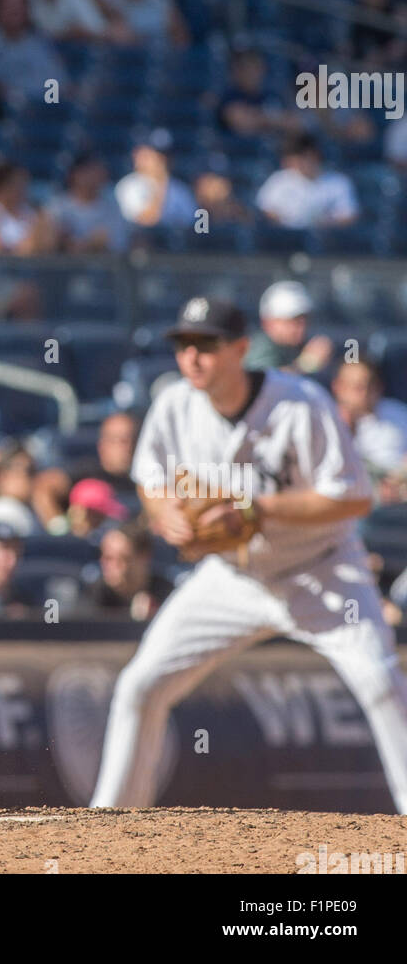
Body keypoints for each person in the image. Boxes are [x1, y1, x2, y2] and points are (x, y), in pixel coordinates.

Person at [90, 296, 407, 812]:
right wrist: (164, 511)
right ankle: (107, 823)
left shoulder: (300, 404)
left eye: (206, 346)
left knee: (379, 682)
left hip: (322, 569)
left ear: (241, 349)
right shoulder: (175, 403)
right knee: (141, 685)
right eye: (184, 345)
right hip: (233, 578)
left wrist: (256, 510)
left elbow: (353, 497)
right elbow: (150, 478)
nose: (191, 357)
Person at [331, 359, 407, 503]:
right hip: (349, 503)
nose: (364, 392)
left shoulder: (399, 413)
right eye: (356, 387)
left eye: (369, 385)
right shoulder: (325, 421)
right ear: (338, 387)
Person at [255, 132, 360, 229]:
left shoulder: (338, 182)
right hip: (287, 241)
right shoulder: (279, 180)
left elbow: (349, 216)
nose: (297, 164)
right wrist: (286, 224)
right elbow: (266, 209)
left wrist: (326, 224)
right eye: (292, 160)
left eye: (301, 159)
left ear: (314, 155)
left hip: (328, 242)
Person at [73, 521, 173, 621]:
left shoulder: (167, 595)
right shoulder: (92, 597)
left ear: (144, 557)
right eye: (107, 558)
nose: (111, 565)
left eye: (123, 559)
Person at [245, 280, 333, 377]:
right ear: (269, 322)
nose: (301, 326)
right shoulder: (259, 348)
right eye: (293, 320)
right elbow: (263, 381)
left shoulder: (294, 347)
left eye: (305, 319)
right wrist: (307, 363)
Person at [46, 152, 128, 254]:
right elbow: (52, 243)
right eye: (89, 171)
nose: (96, 176)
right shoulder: (58, 206)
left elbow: (118, 245)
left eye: (98, 171)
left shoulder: (113, 208)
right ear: (75, 174)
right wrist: (90, 243)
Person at [114, 129, 196, 230]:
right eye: (154, 155)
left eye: (164, 156)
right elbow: (146, 222)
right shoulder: (128, 186)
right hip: (142, 244)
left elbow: (192, 228)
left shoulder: (181, 189)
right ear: (138, 155)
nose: (160, 161)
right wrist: (161, 182)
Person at [0, 161, 57, 257]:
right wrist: (31, 242)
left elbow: (49, 245)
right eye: (16, 183)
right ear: (1, 186)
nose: (22, 188)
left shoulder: (35, 213)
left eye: (24, 183)